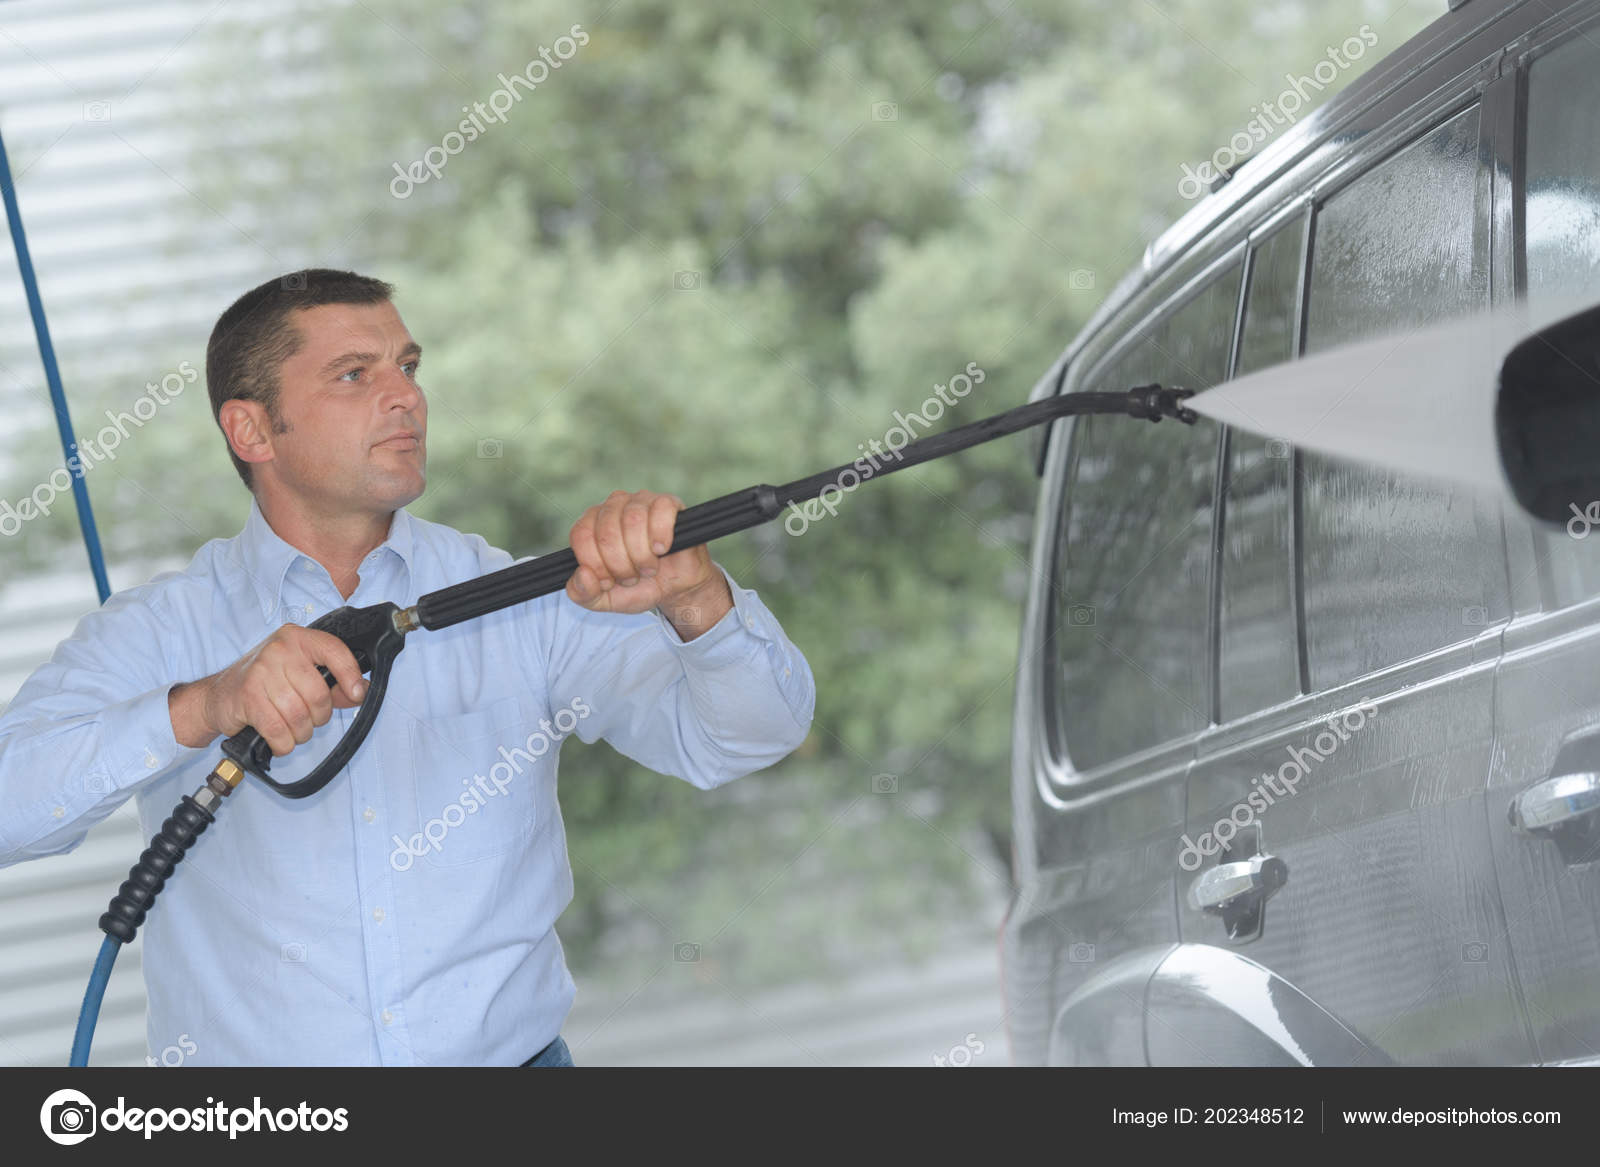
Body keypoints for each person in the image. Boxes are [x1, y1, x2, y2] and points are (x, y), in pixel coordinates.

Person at [0, 269, 815, 1067]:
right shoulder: (159, 632)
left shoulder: (523, 598)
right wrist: (203, 707)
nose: (407, 397)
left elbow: (744, 740)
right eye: (356, 374)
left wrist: (697, 602)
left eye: (410, 366)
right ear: (251, 430)